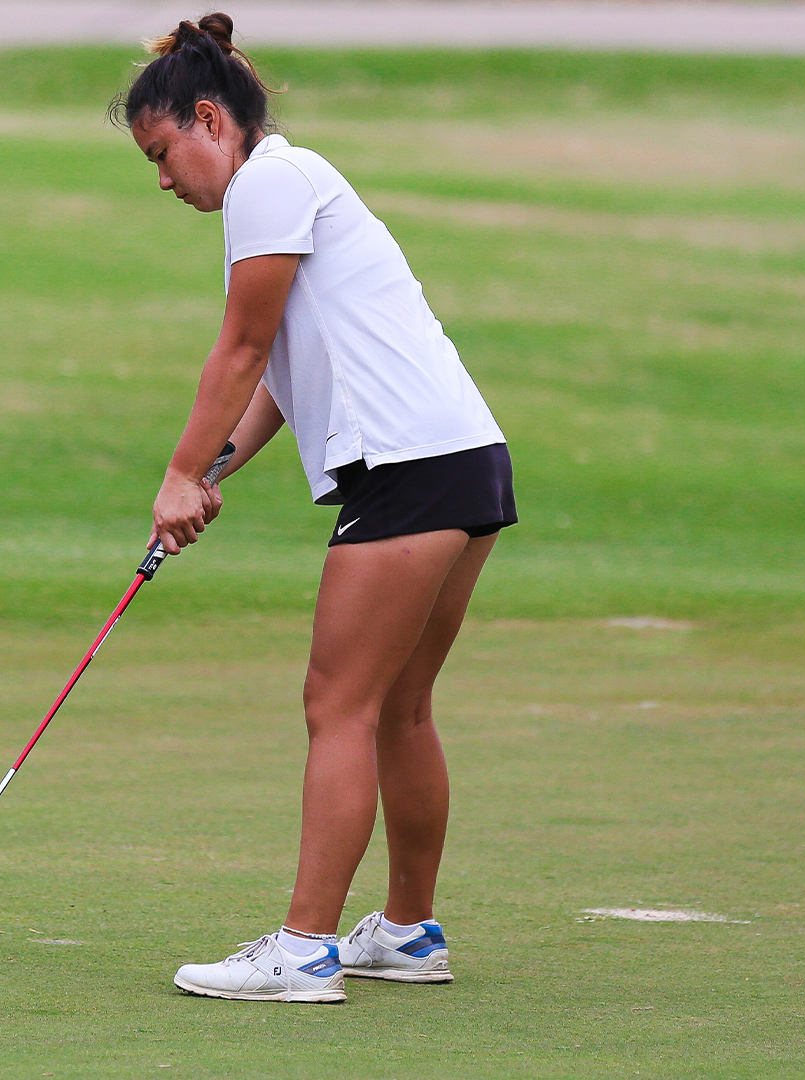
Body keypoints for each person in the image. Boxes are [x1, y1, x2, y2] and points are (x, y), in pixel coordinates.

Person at [113, 12, 517, 1003]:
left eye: (162, 154)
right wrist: (211, 469)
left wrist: (176, 474)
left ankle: (302, 950)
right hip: (465, 462)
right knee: (398, 709)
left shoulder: (269, 184)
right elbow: (283, 379)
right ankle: (409, 934)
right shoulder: (296, 184)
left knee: (338, 706)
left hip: (409, 470)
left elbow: (242, 348)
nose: (163, 180)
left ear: (210, 119)